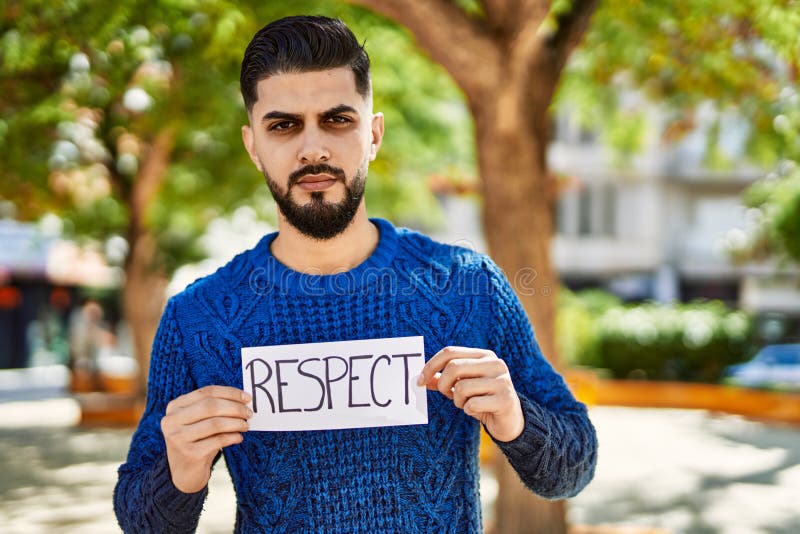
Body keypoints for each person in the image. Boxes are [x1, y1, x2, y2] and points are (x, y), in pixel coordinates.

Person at [114, 15, 597, 532]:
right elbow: (140, 521)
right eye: (283, 125)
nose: (313, 148)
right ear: (253, 146)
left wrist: (517, 419)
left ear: (373, 134)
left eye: (337, 119)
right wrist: (180, 471)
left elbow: (573, 468)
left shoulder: (468, 286)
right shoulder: (197, 318)